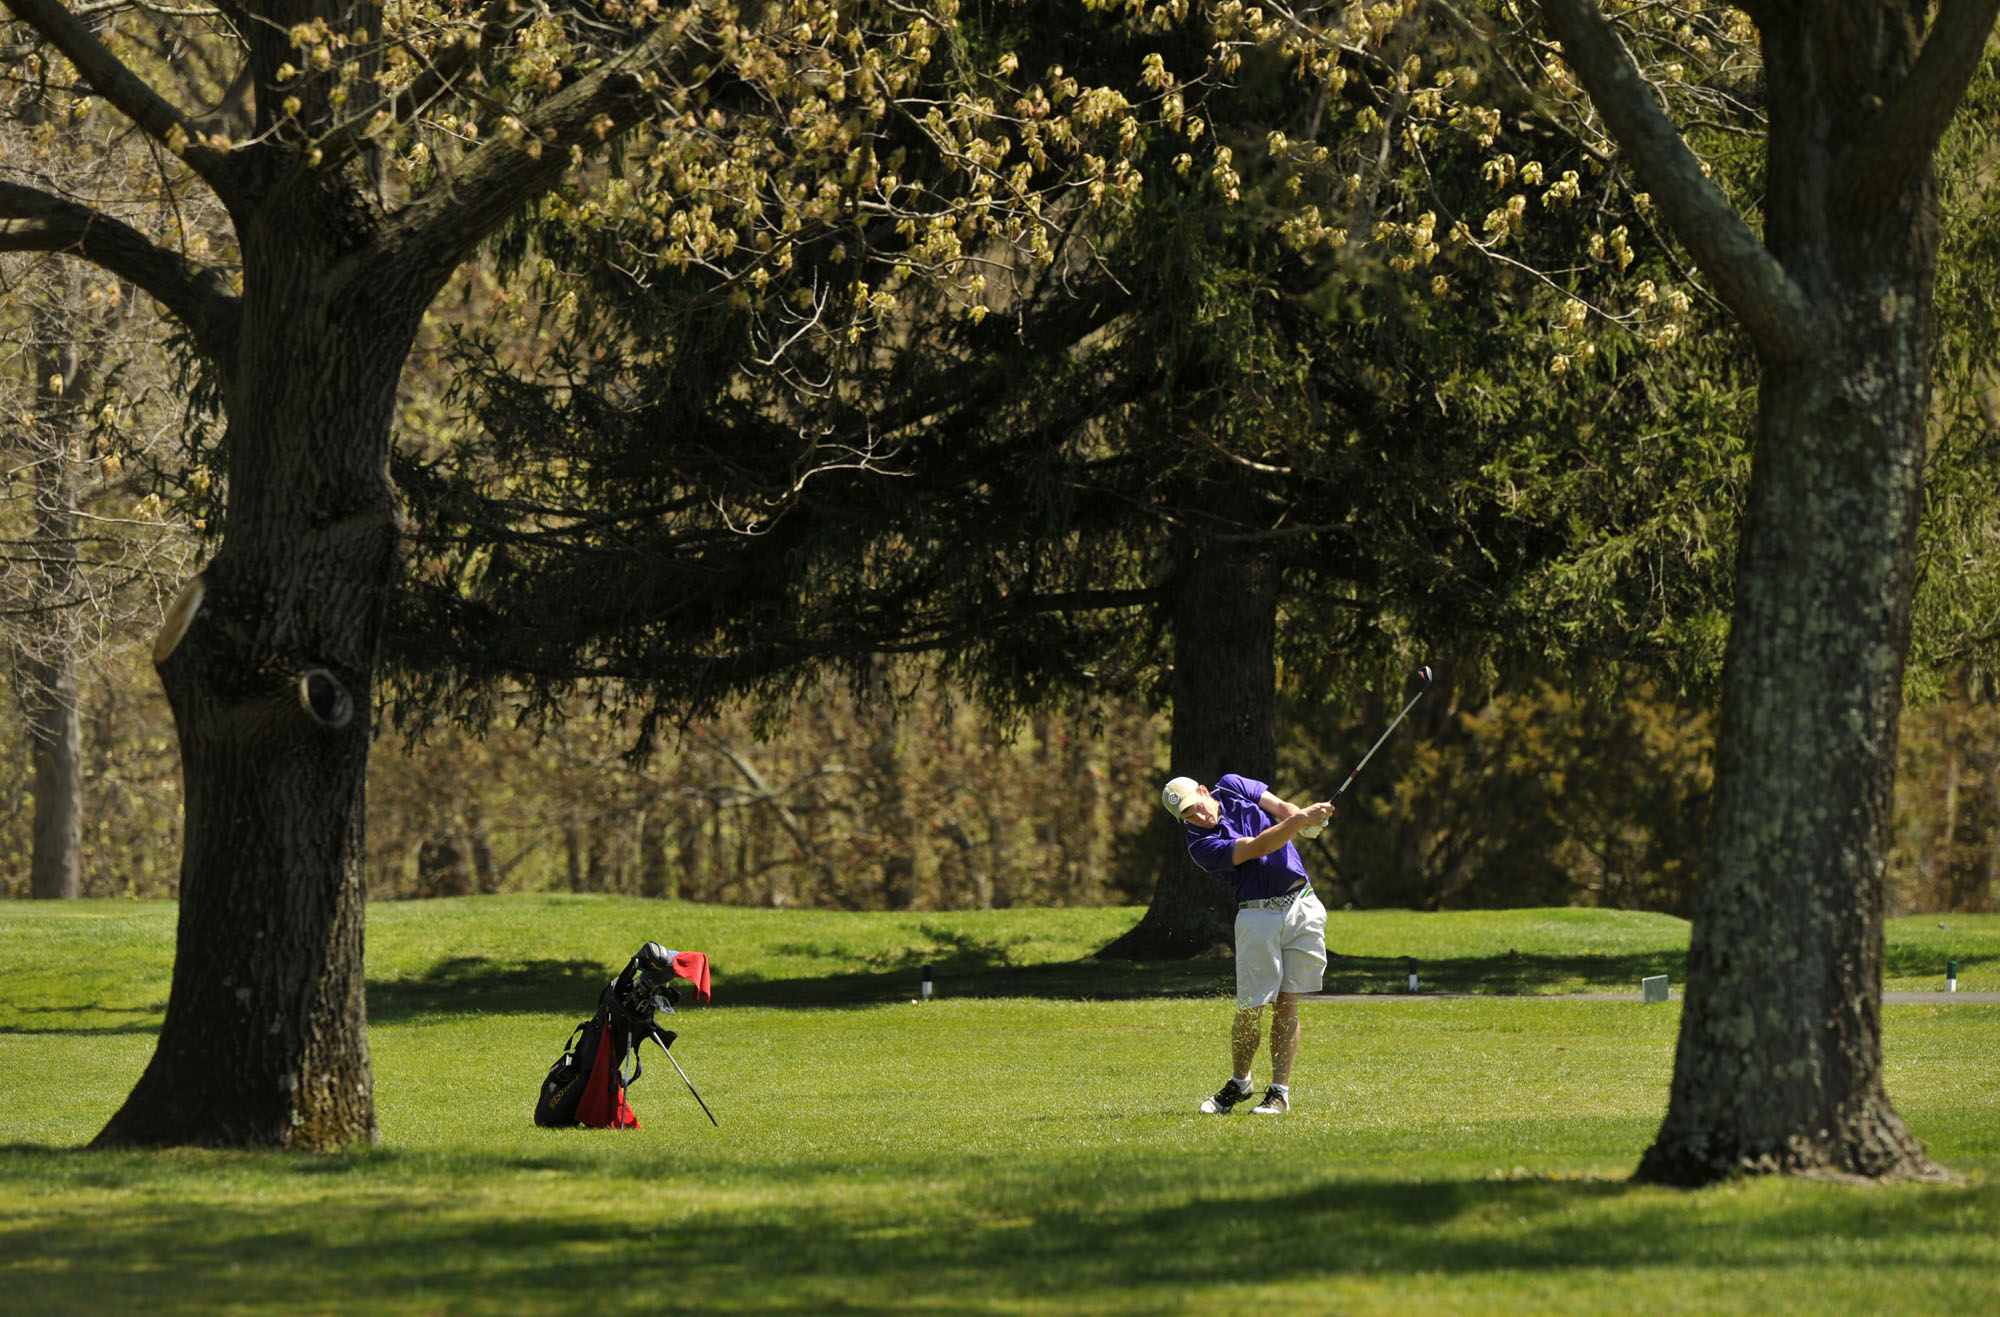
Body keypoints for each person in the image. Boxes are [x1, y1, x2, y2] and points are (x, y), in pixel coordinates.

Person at [1160, 772, 1336, 1116]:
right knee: (1251, 1007)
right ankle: (1240, 1082)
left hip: (1302, 902)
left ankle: (1279, 1093)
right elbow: (1260, 847)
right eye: (1188, 817)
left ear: (1204, 791)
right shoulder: (1200, 845)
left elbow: (1281, 806)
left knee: (1287, 1003)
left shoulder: (1232, 785)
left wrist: (1300, 818)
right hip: (1257, 917)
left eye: (1197, 808)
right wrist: (1302, 819)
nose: (1199, 818)